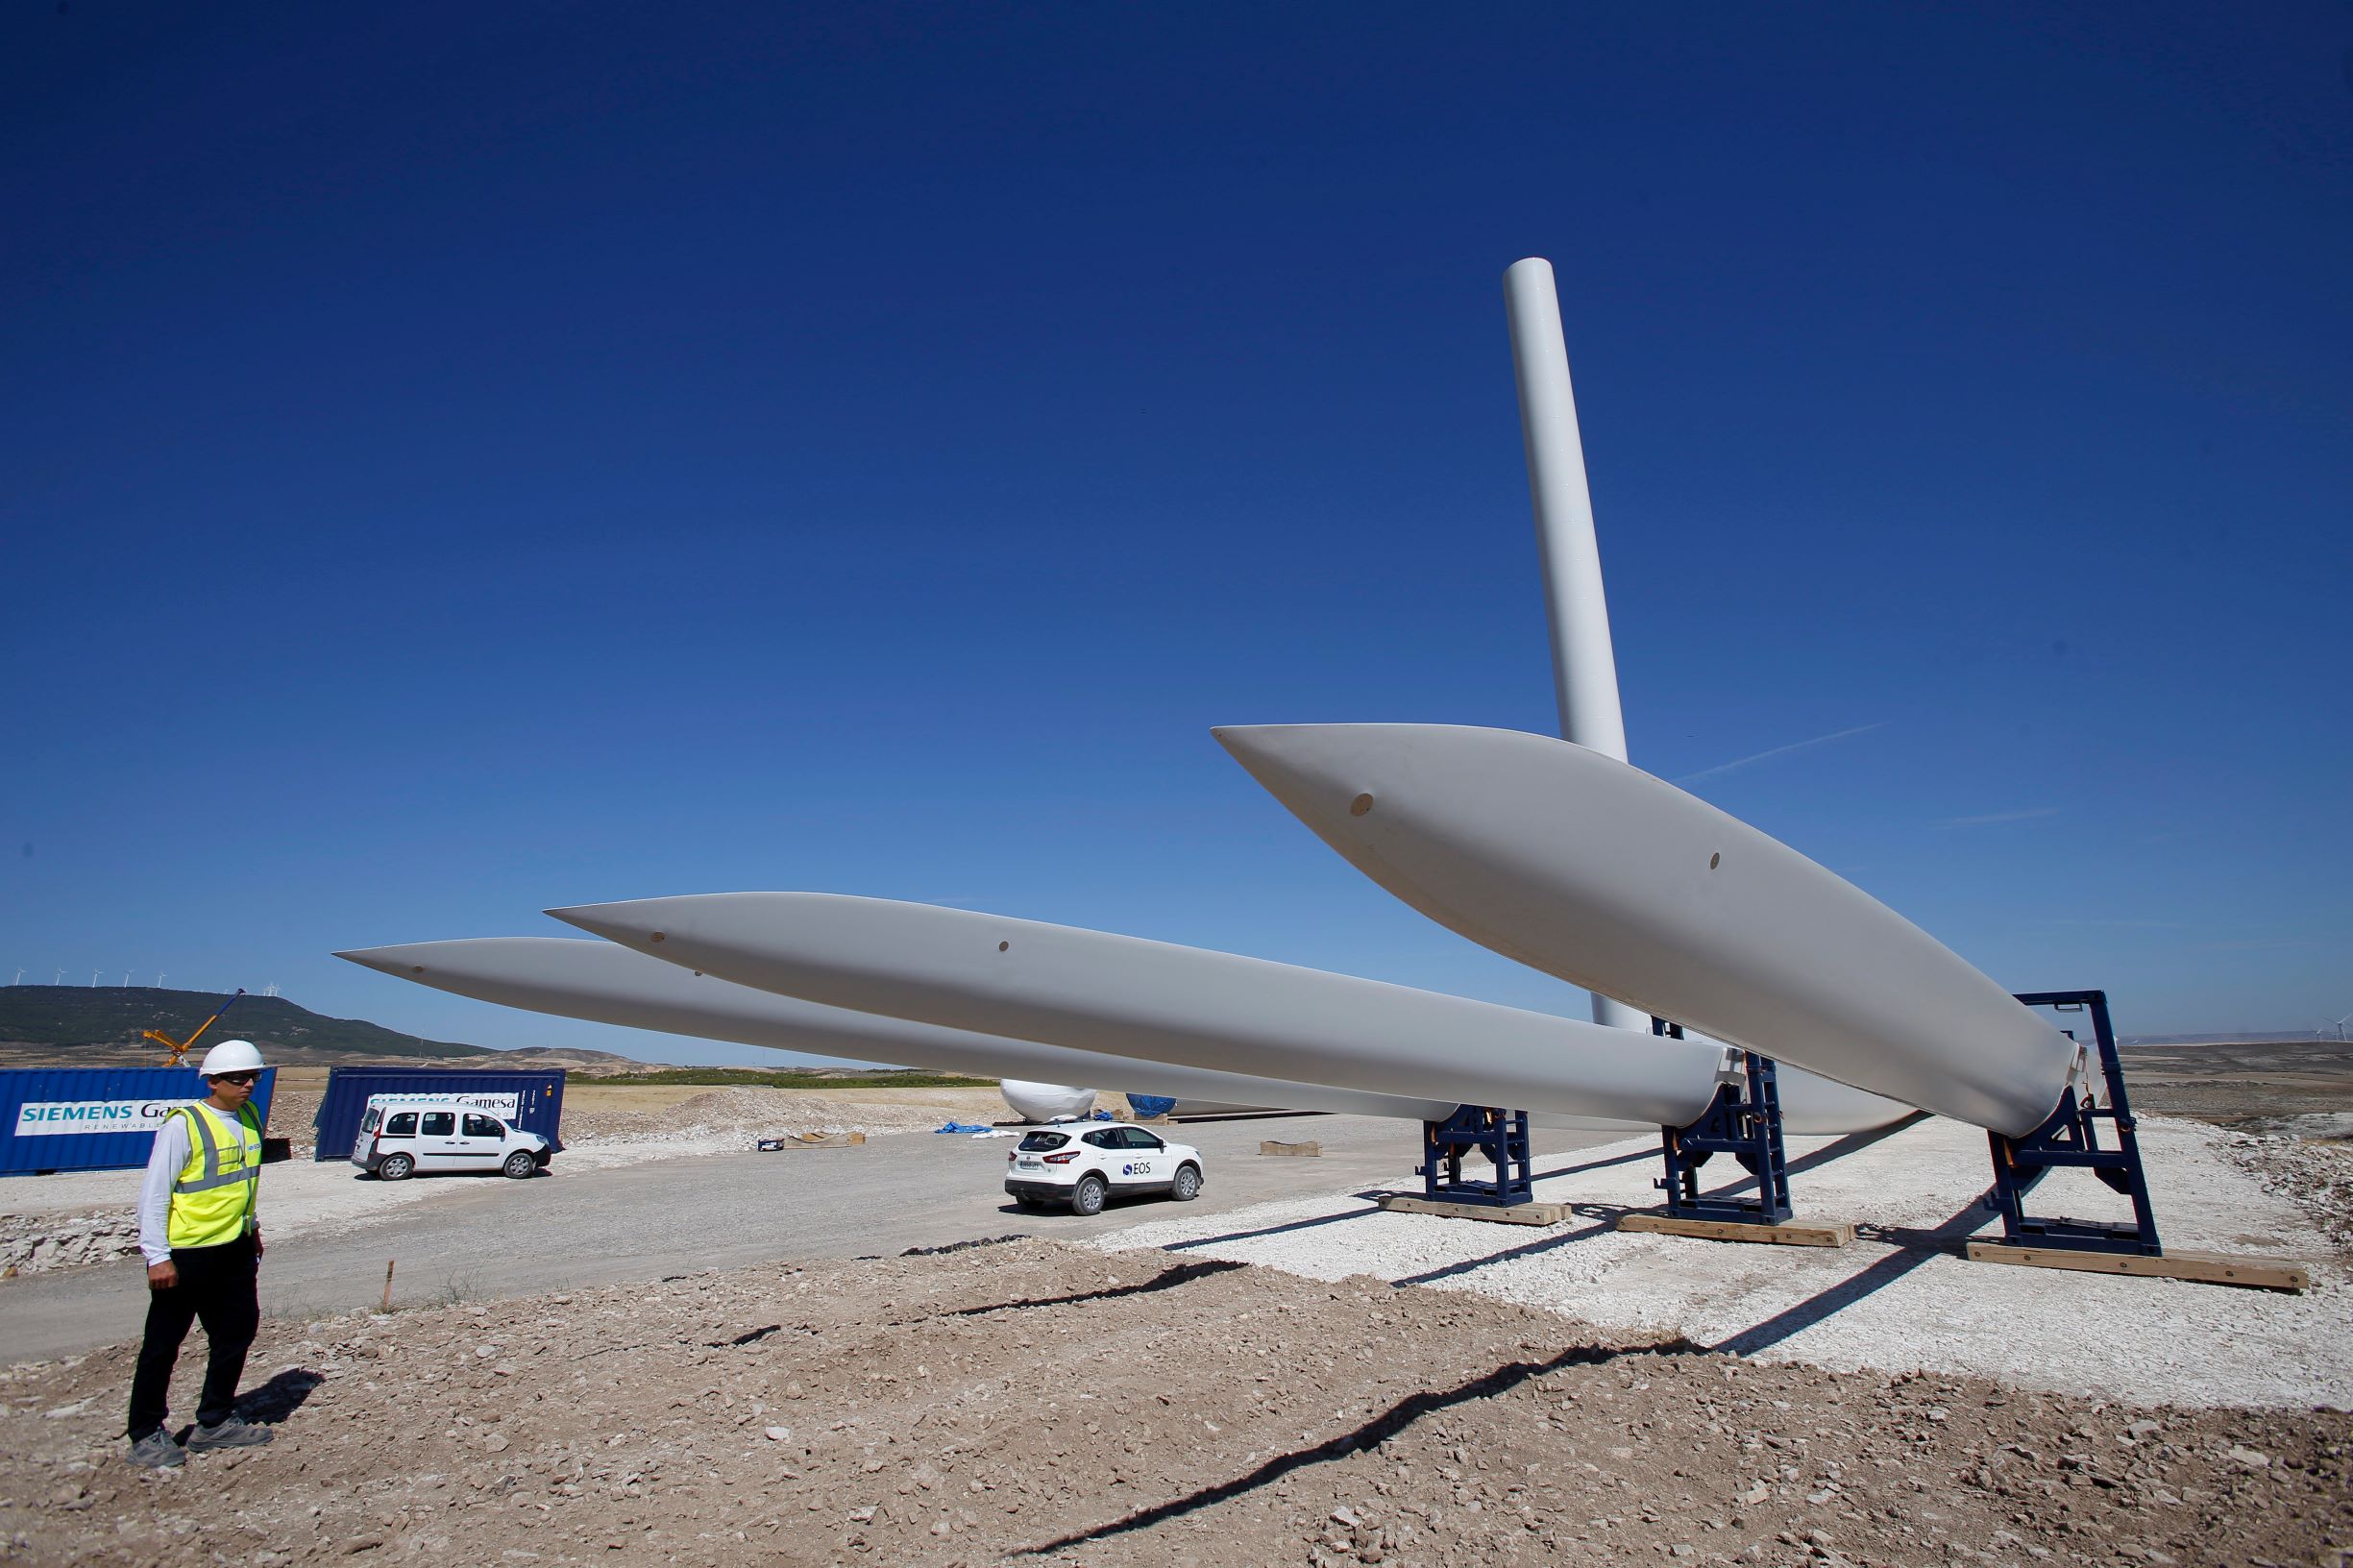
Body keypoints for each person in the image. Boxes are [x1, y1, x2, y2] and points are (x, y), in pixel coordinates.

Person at [124, 1038, 277, 1469]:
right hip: (188, 1253)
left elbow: (239, 1183)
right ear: (212, 1081)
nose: (248, 1084)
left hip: (235, 1248)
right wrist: (157, 1255)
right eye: (238, 1078)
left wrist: (253, 1228)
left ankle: (214, 1420)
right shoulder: (184, 1125)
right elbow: (155, 1194)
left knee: (236, 1333)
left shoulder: (248, 1117)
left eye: (254, 1076)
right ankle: (145, 1432)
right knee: (163, 1344)